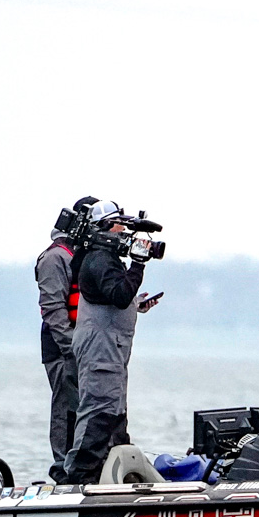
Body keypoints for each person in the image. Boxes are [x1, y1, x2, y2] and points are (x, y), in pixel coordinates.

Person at [61, 201, 161, 483]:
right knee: (98, 414)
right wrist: (139, 263)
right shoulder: (99, 259)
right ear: (105, 227)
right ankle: (75, 481)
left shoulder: (102, 259)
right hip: (101, 349)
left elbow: (113, 297)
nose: (124, 232)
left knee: (115, 417)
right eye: (120, 225)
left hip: (110, 350)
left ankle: (111, 480)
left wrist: (136, 304)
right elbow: (117, 294)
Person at [35, 197, 97, 481]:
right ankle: (61, 469)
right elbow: (52, 308)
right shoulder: (55, 257)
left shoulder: (81, 256)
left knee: (85, 407)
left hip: (82, 346)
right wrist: (70, 347)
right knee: (64, 407)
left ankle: (84, 465)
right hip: (61, 349)